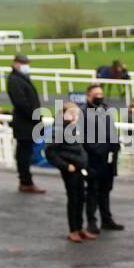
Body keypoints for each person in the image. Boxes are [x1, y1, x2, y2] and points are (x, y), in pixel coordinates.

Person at [42, 102, 95, 243]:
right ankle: (73, 230)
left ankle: (79, 228)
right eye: (73, 113)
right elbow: (49, 152)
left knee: (81, 198)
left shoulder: (74, 128)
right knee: (73, 200)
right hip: (70, 171)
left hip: (79, 169)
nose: (76, 116)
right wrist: (65, 166)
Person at [82, 84, 124, 233]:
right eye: (96, 94)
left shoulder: (106, 110)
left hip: (108, 159)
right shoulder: (83, 113)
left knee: (106, 190)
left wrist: (115, 146)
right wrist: (99, 149)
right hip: (93, 159)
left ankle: (106, 219)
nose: (100, 96)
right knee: (93, 190)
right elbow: (84, 138)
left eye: (101, 93)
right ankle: (91, 221)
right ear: (89, 96)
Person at [7, 54, 44, 193]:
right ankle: (26, 181)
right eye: (24, 63)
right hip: (24, 122)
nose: (26, 66)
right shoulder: (15, 80)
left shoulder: (20, 78)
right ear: (16, 64)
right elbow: (21, 102)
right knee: (23, 153)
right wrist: (35, 116)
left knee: (25, 152)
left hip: (27, 121)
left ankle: (26, 180)